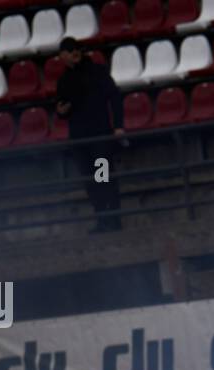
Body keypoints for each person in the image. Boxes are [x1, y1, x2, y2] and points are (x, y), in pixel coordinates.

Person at [55, 38, 125, 233]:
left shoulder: (97, 72)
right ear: (63, 56)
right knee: (90, 181)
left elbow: (114, 97)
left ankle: (113, 218)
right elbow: (61, 109)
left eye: (75, 50)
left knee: (103, 177)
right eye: (69, 51)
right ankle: (102, 218)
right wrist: (62, 110)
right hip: (80, 141)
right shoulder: (64, 80)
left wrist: (118, 125)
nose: (73, 54)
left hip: (99, 138)